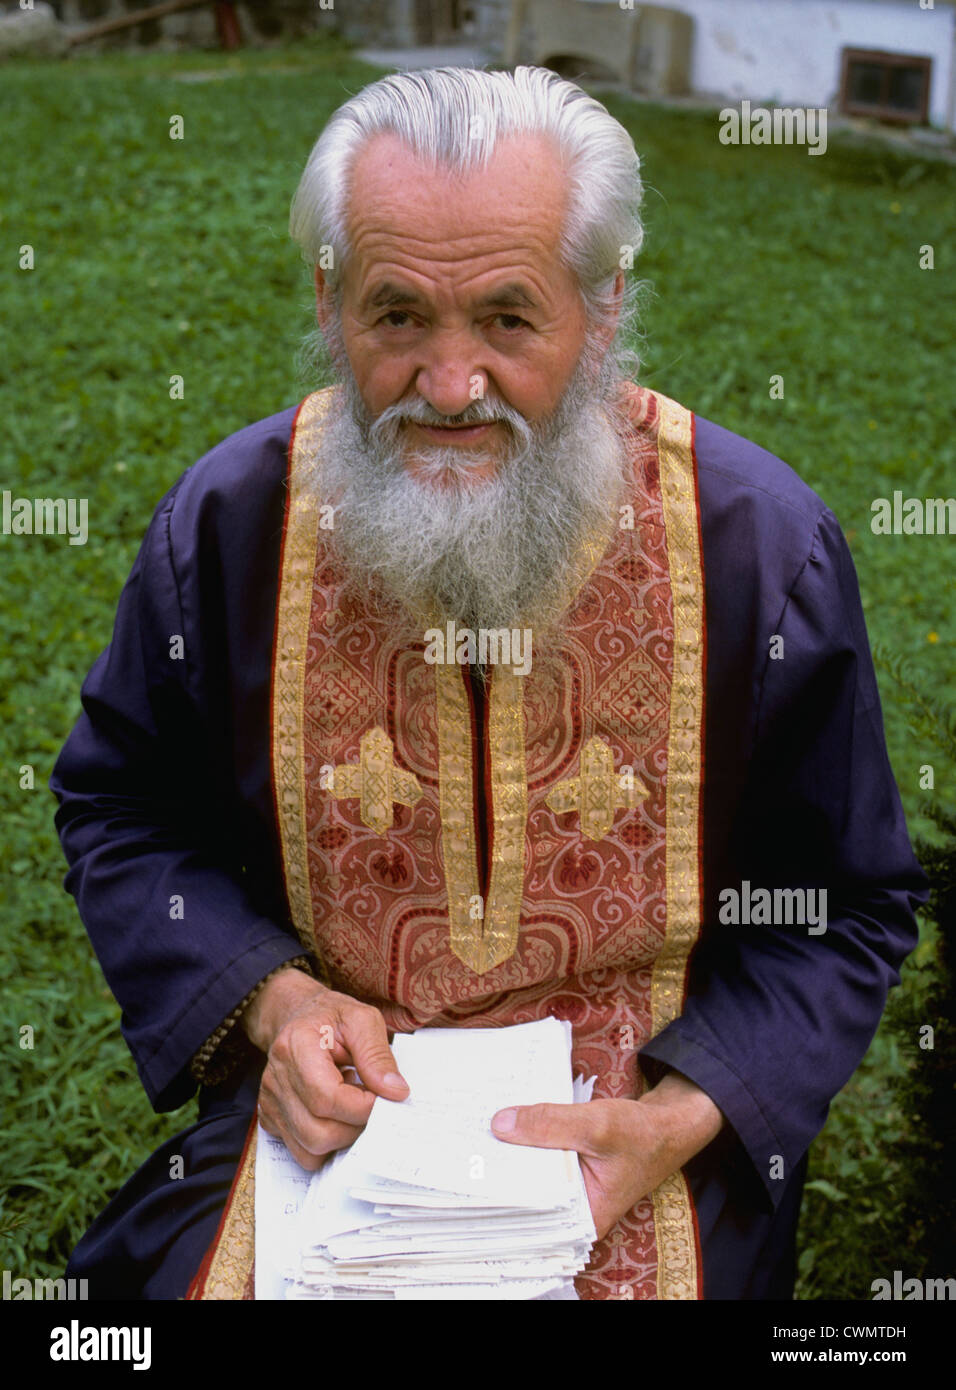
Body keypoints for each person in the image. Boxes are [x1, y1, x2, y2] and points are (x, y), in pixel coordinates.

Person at [51, 65, 927, 1301]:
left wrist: (681, 1120)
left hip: (636, 1132)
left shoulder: (759, 550)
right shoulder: (229, 527)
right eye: (396, 315)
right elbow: (122, 812)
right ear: (327, 298)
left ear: (602, 303)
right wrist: (275, 1005)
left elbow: (844, 903)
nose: (449, 384)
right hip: (327, 1130)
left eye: (509, 321)